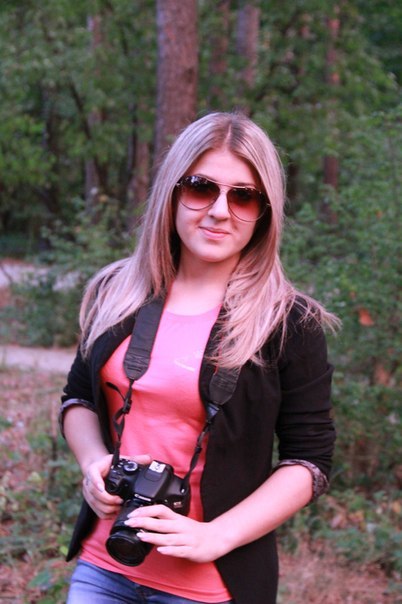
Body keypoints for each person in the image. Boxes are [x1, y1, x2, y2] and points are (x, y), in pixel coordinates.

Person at [60, 111, 338, 604]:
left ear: (265, 211)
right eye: (200, 188)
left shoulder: (289, 324)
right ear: (171, 193)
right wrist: (94, 462)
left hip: (209, 587)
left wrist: (217, 535)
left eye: (243, 196)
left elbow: (309, 461)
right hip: (103, 565)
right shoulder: (116, 291)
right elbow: (77, 399)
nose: (219, 211)